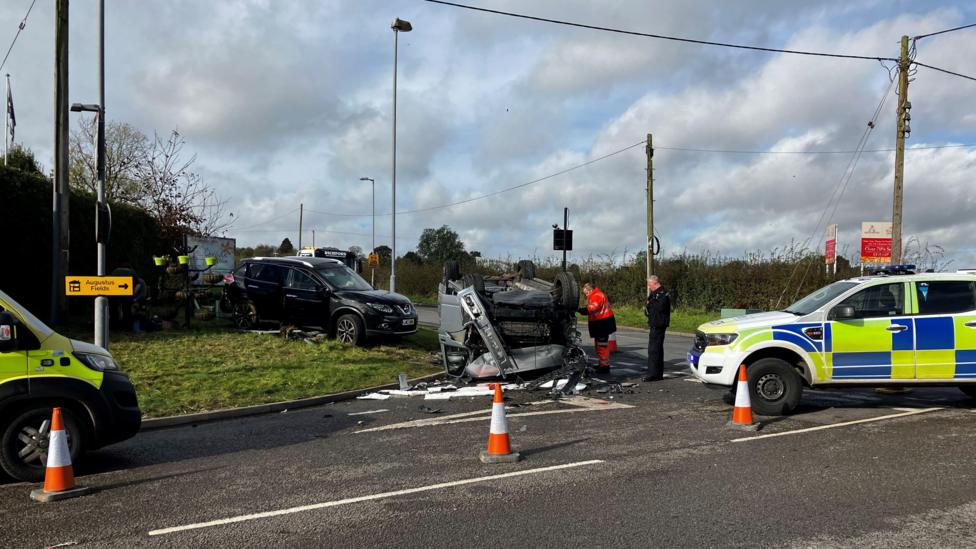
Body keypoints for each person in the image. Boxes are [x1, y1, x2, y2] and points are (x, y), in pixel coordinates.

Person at [578, 283, 616, 373]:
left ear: (590, 290)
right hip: (602, 323)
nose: (586, 295)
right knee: (600, 345)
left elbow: (592, 308)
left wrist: (579, 310)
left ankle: (604, 367)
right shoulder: (598, 294)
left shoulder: (596, 296)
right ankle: (602, 364)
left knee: (602, 346)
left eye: (586, 293)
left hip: (602, 323)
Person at [644, 275, 671, 382]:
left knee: (654, 350)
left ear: (655, 283)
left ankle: (653, 374)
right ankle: (657, 373)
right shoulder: (654, 294)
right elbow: (648, 308)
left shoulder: (663, 293)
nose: (649, 287)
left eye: (649, 284)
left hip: (659, 324)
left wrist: (650, 305)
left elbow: (659, 307)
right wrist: (649, 306)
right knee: (656, 349)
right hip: (654, 322)